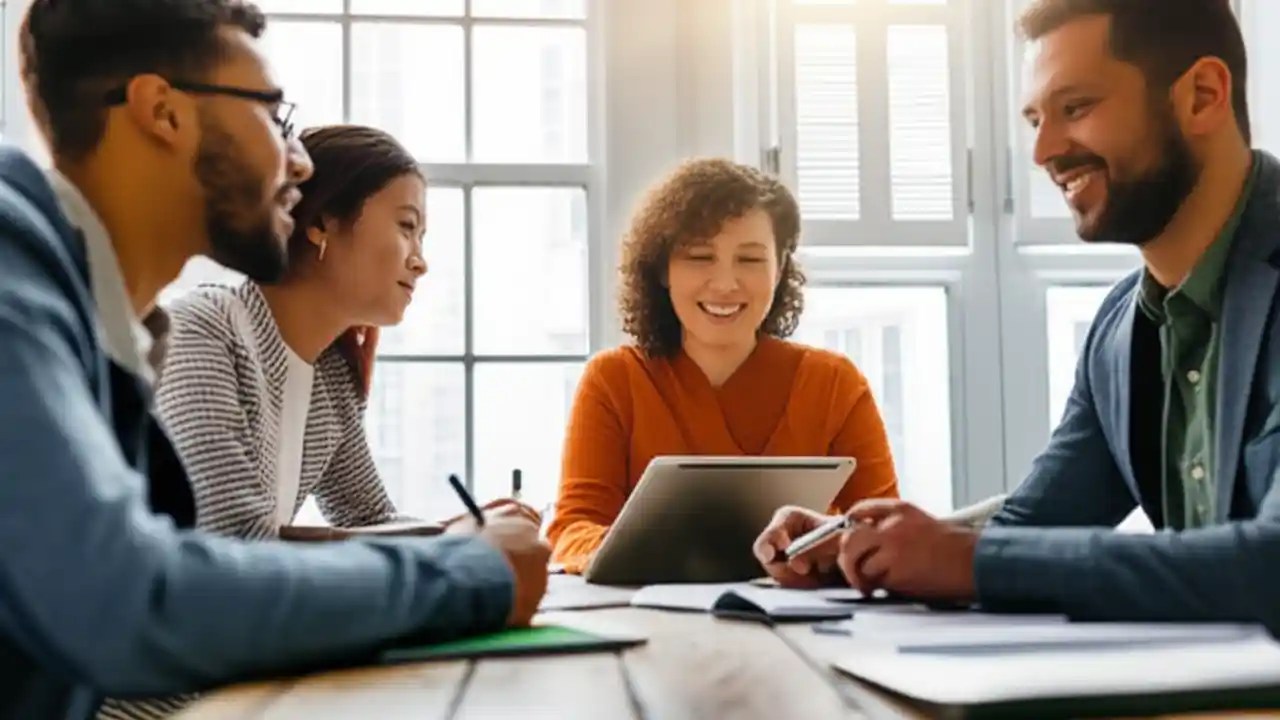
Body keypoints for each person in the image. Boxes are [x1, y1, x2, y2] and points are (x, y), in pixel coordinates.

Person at [3, 2, 548, 718]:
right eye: (271, 114)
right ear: (161, 112)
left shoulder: (107, 326)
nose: (300, 161)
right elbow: (126, 596)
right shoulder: (15, 284)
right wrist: (465, 571)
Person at [754, 0, 1280, 633]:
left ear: (1202, 95)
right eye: (1035, 118)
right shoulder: (1119, 333)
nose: (1043, 151)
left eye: (1075, 108)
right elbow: (1031, 531)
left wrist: (965, 560)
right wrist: (863, 547)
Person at [149, 124, 532, 543]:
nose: (420, 262)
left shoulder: (330, 375)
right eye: (407, 227)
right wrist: (453, 547)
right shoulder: (204, 330)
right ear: (321, 224)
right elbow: (235, 541)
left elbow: (369, 517)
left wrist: (457, 535)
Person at [548, 158, 900, 573]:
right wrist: (651, 552)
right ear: (663, 268)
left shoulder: (835, 384)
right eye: (699, 257)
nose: (725, 284)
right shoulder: (614, 380)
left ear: (780, 266)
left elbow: (886, 530)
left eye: (750, 260)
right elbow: (573, 528)